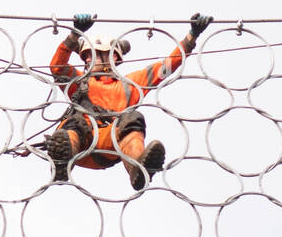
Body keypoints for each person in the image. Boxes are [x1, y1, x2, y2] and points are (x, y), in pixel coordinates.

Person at [46, 12, 213, 190]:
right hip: (80, 143)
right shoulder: (79, 81)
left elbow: (167, 66)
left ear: (113, 57)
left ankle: (137, 167)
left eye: (92, 54)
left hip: (110, 145)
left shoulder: (130, 84)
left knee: (132, 118)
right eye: (85, 55)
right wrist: (74, 34)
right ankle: (62, 160)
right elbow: (57, 67)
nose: (87, 59)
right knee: (74, 123)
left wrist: (192, 36)